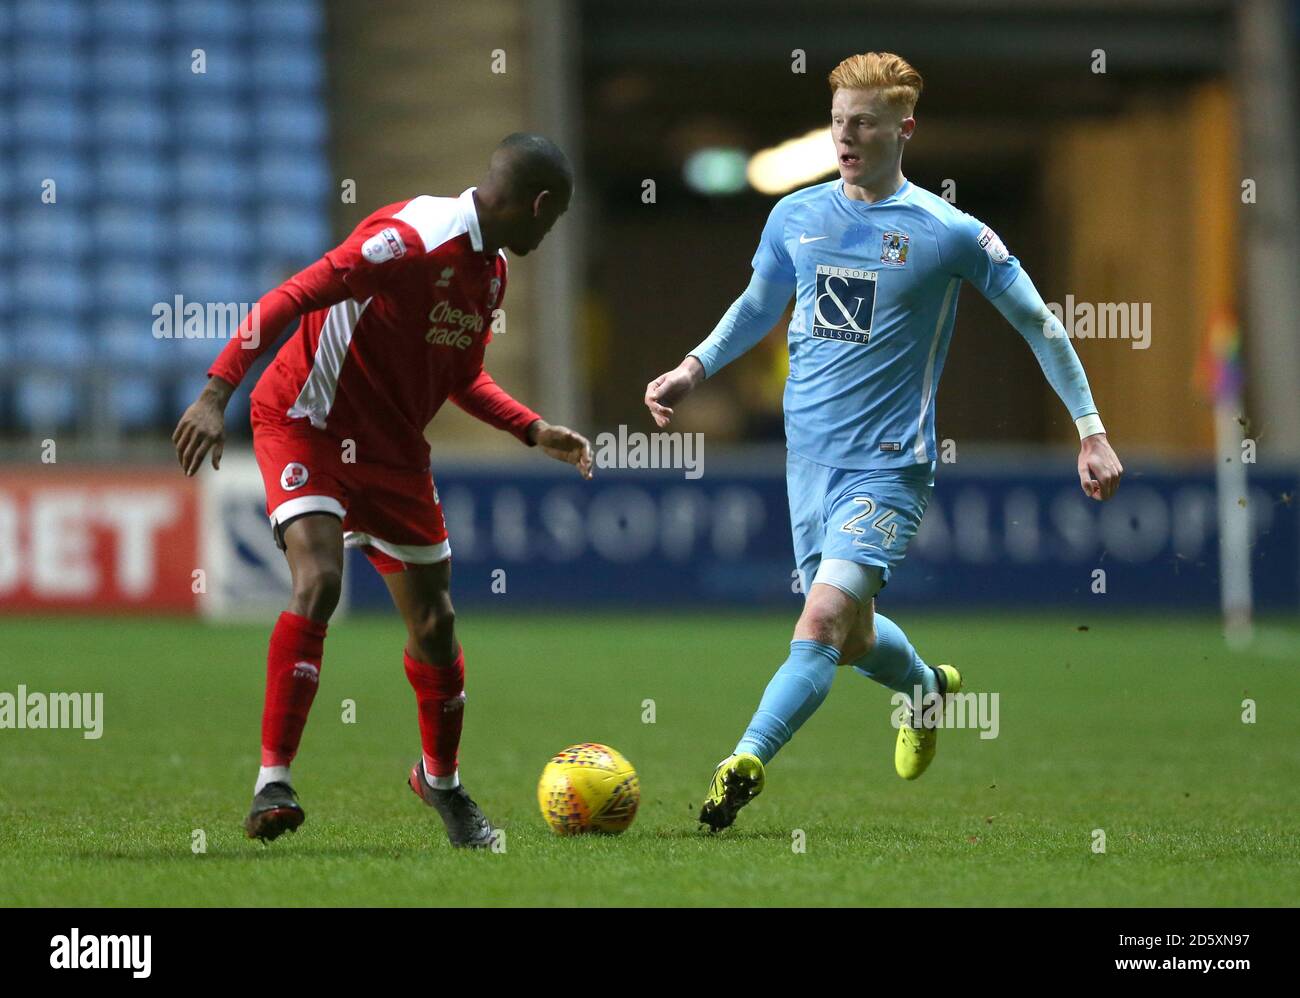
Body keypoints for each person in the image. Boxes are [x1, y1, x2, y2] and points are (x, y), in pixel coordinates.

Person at [643, 53, 1123, 831]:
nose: (846, 135)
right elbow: (756, 303)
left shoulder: (949, 234)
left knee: (822, 621)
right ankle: (925, 687)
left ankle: (746, 761)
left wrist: (1091, 431)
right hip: (808, 466)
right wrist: (692, 368)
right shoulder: (794, 217)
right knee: (856, 636)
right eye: (837, 120)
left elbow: (1040, 323)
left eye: (863, 121)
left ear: (905, 128)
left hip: (889, 466)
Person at [173, 133, 593, 848]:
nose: (547, 236)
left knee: (436, 627)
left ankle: (441, 782)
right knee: (320, 581)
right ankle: (272, 780)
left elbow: (461, 376)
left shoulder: (490, 275)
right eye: (550, 223)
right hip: (306, 417)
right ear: (539, 204)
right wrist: (216, 393)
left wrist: (532, 429)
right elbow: (292, 295)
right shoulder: (410, 239)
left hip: (395, 452)